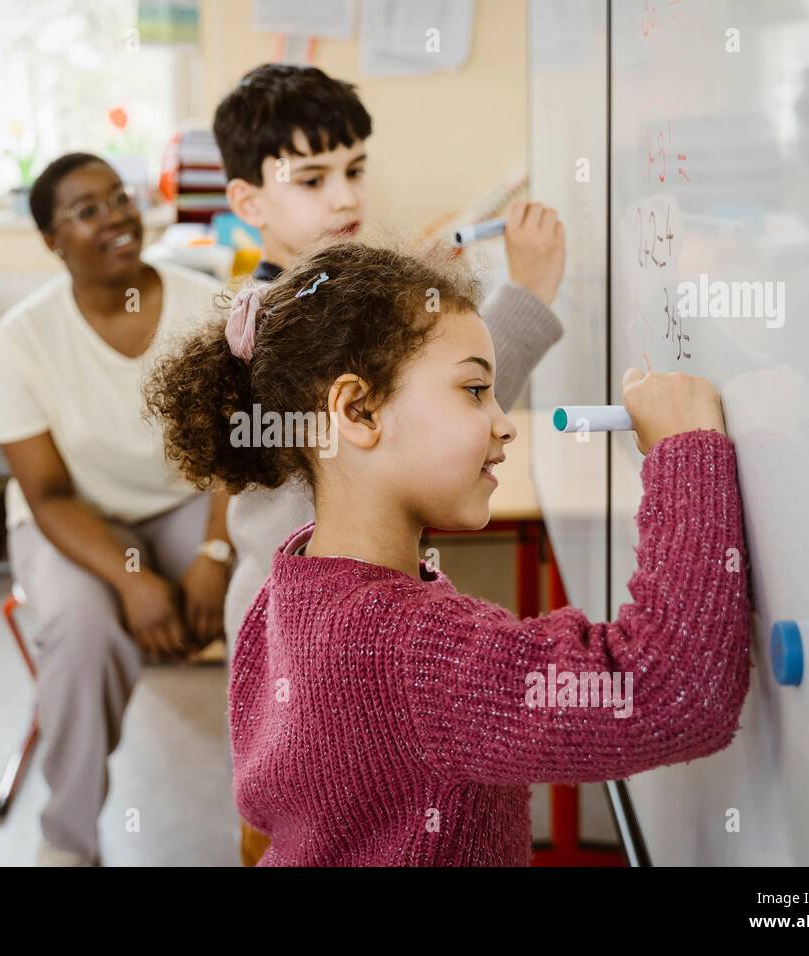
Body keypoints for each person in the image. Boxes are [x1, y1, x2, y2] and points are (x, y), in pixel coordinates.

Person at [144, 242, 751, 866]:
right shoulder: (408, 650)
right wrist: (686, 450)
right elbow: (671, 690)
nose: (503, 422)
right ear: (357, 411)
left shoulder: (285, 590)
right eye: (473, 389)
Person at [0, 153, 231, 866]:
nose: (116, 216)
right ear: (51, 242)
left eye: (119, 198)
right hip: (78, 522)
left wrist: (215, 554)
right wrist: (132, 580)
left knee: (264, 602)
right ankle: (68, 842)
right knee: (81, 628)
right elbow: (49, 495)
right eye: (87, 210)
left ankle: (288, 820)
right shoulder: (20, 342)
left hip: (192, 502)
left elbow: (234, 454)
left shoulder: (207, 303)